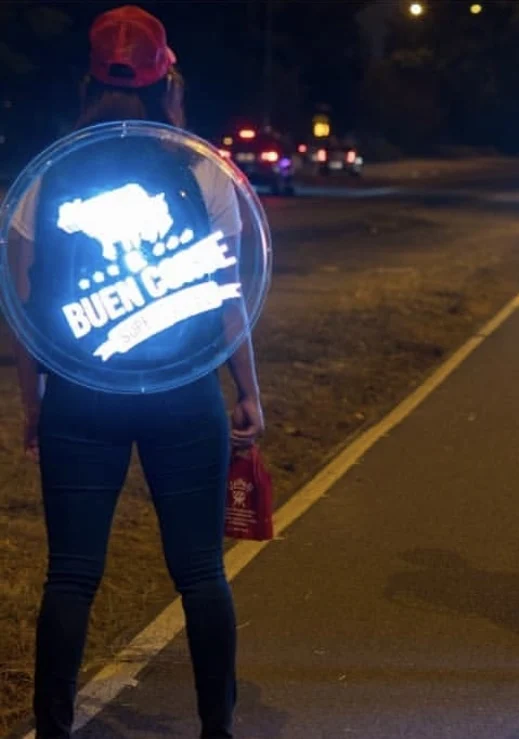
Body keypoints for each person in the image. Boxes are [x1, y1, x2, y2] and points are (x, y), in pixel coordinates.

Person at [7, 6, 263, 737]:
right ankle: (218, 727)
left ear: (90, 80)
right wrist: (247, 391)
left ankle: (52, 728)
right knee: (202, 572)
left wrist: (35, 404)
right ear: (166, 81)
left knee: (71, 575)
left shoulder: (48, 172)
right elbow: (226, 296)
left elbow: (25, 306)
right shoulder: (203, 170)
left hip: (80, 398)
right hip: (184, 392)